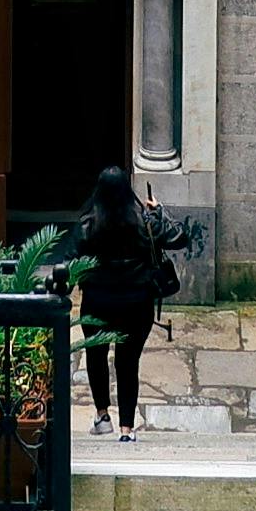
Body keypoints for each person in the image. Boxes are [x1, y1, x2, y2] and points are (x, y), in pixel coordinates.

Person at [64, 164, 179, 440]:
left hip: (97, 301)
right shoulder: (145, 221)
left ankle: (102, 416)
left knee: (96, 356)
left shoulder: (87, 224)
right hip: (136, 302)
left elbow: (70, 263)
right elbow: (178, 238)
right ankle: (127, 428)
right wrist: (159, 210)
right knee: (128, 362)